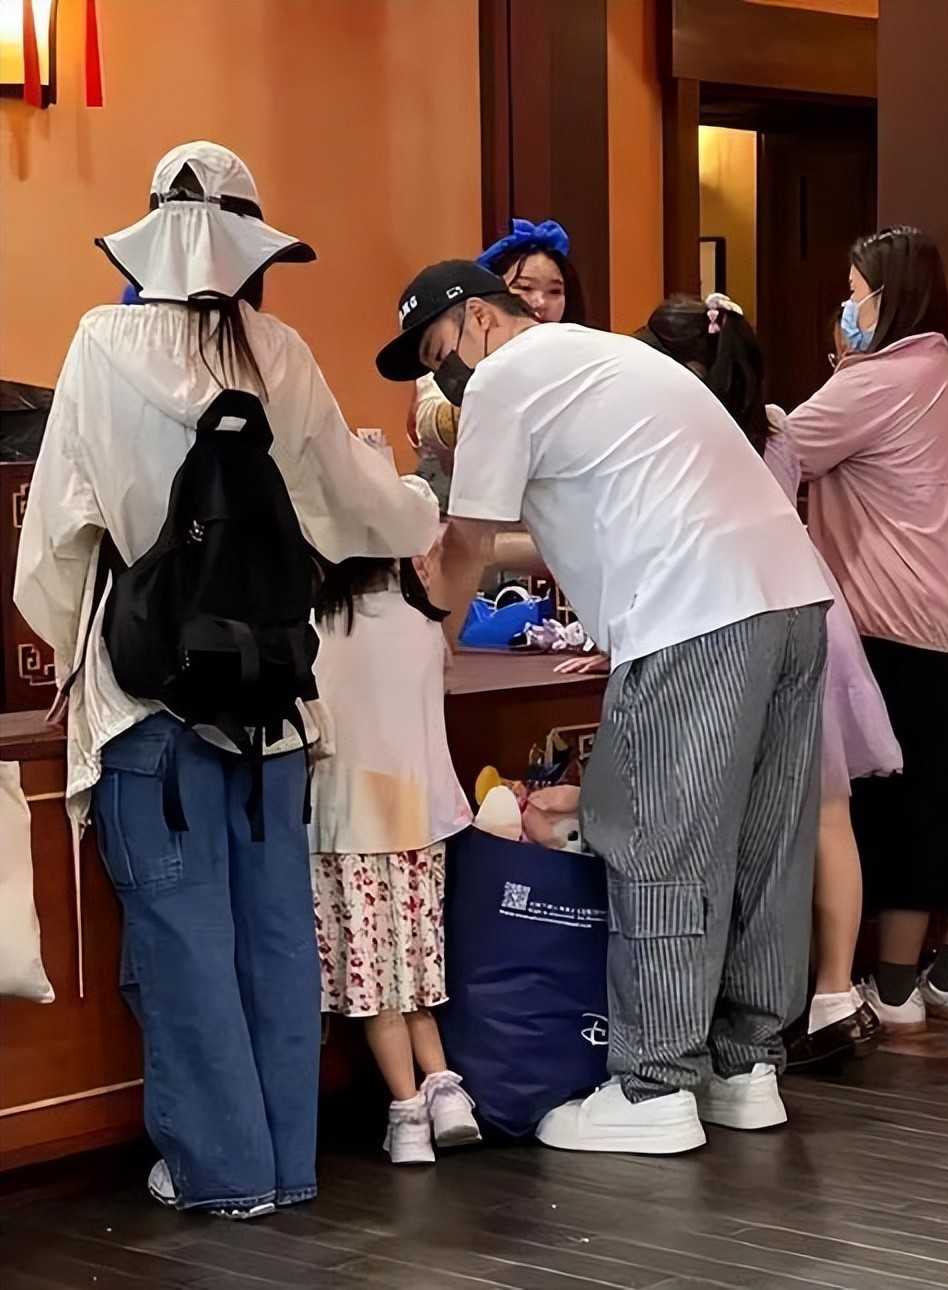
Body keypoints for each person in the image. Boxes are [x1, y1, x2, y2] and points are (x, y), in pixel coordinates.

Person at [14, 142, 438, 1217]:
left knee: (182, 935)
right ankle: (286, 1162)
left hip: (148, 705)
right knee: (274, 932)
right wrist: (432, 510)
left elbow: (52, 552)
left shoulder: (100, 345)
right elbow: (357, 511)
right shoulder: (281, 352)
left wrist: (79, 655)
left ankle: (222, 1172)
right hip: (275, 701)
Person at [376, 260, 833, 1154]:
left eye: (441, 357)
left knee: (659, 835)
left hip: (694, 615)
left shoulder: (509, 373)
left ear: (478, 321)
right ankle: (745, 1068)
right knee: (762, 840)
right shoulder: (601, 359)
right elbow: (560, 528)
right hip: (790, 597)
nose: (447, 383)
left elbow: (467, 539)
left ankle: (654, 1085)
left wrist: (427, 629)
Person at [637, 294, 902, 1067]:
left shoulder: (674, 437)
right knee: (828, 817)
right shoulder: (775, 429)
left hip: (726, 612)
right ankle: (833, 991)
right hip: (809, 608)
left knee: (740, 829)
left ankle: (736, 1011)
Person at [786, 226, 948, 1034]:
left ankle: (890, 986)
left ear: (886, 300)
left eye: (853, 295)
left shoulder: (880, 379)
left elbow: (779, 447)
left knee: (901, 808)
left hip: (901, 622)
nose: (845, 311)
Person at [310, 484, 480, 1166]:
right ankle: (446, 1091)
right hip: (417, 816)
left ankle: (407, 1114)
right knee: (415, 968)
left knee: (372, 978)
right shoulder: (425, 626)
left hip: (345, 818)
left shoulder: (316, 630)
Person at [409, 219, 584, 509]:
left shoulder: (580, 356)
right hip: (455, 499)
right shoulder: (452, 353)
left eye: (555, 292)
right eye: (525, 287)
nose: (540, 302)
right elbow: (428, 421)